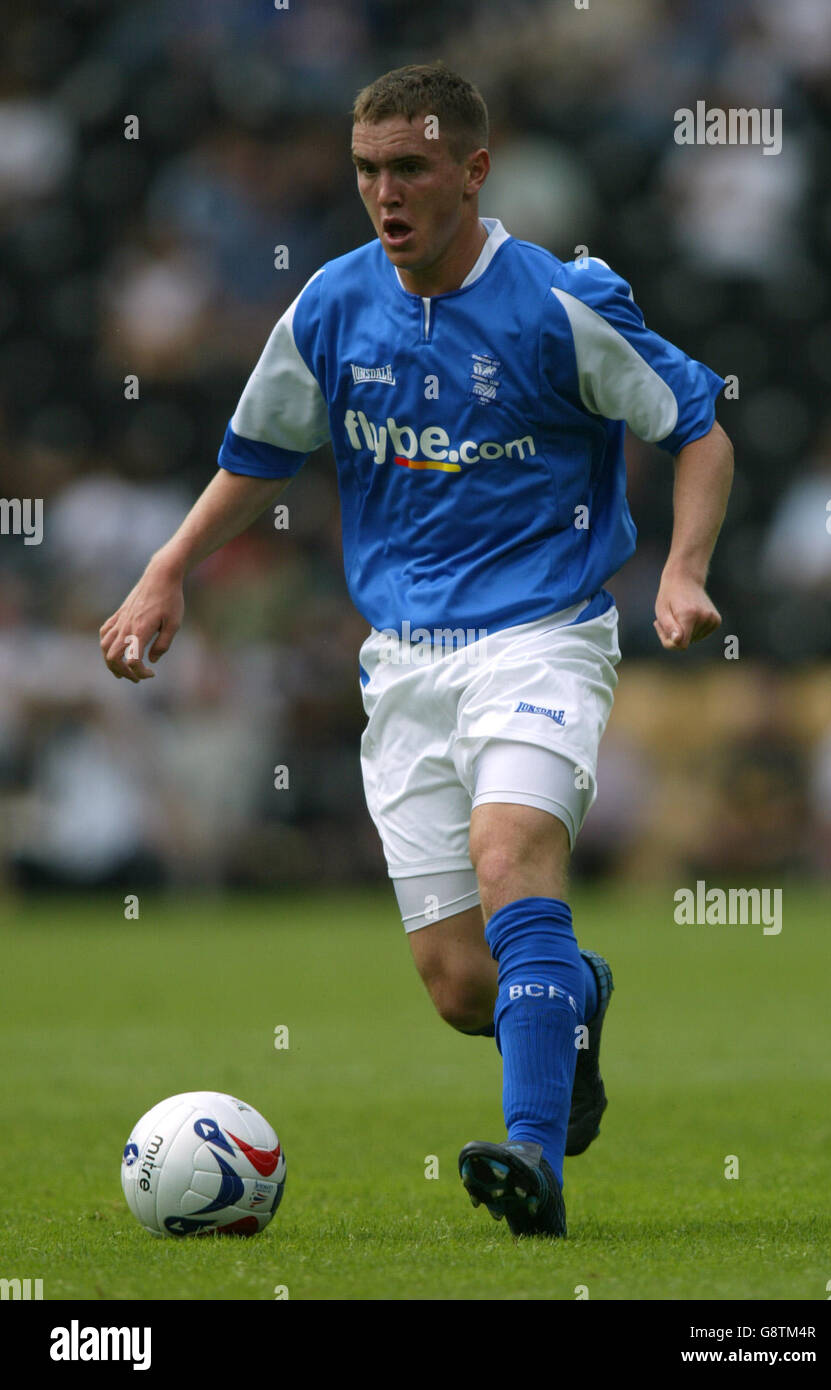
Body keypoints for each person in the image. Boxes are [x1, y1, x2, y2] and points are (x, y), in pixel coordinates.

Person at [100, 62, 733, 1238]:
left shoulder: (559, 302)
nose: (384, 193)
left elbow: (696, 427)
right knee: (459, 987)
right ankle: (572, 998)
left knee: (510, 858)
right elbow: (260, 452)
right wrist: (168, 565)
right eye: (366, 170)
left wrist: (683, 569)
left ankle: (532, 1161)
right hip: (401, 664)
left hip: (540, 638)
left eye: (410, 169)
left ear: (473, 171)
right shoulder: (332, 305)